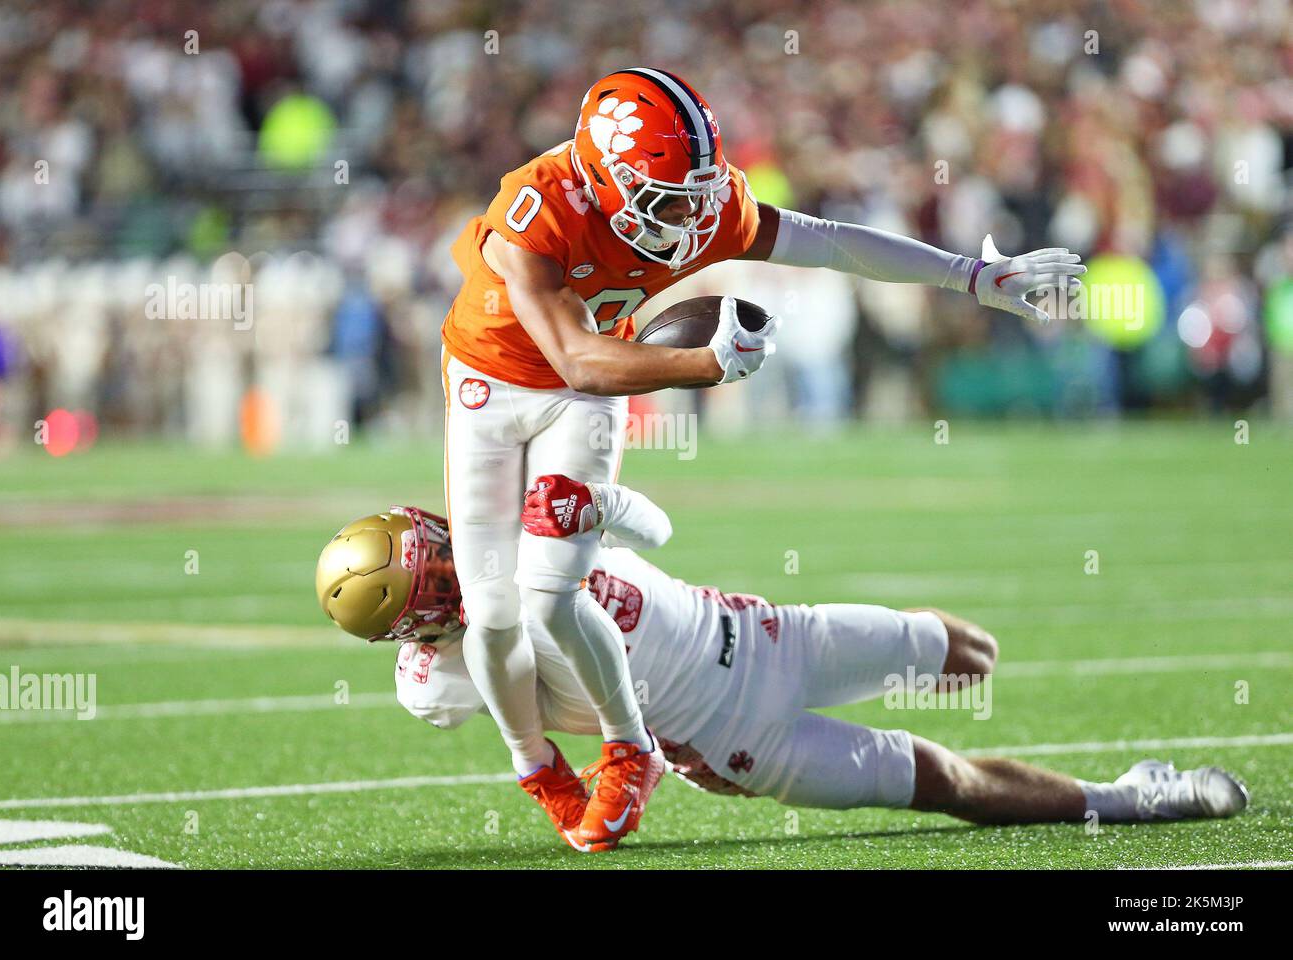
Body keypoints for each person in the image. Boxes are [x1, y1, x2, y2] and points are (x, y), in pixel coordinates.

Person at [437, 66, 1086, 844]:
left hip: (588, 394)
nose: (688, 215)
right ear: (607, 180)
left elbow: (832, 244)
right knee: (492, 618)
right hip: (496, 384)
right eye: (667, 198)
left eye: (696, 193)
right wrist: (709, 364)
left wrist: (970, 275)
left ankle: (629, 748)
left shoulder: (702, 205)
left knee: (551, 593)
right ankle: (535, 767)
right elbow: (577, 358)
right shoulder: (536, 212)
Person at [314, 478, 1247, 853]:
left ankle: (1106, 784)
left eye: (433, 543)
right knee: (947, 782)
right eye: (436, 570)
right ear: (421, 622)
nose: (451, 555)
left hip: (767, 632)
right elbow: (489, 688)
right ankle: (1128, 796)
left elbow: (656, 525)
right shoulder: (446, 675)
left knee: (970, 653)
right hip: (743, 741)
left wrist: (590, 498)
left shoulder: (513, 506)